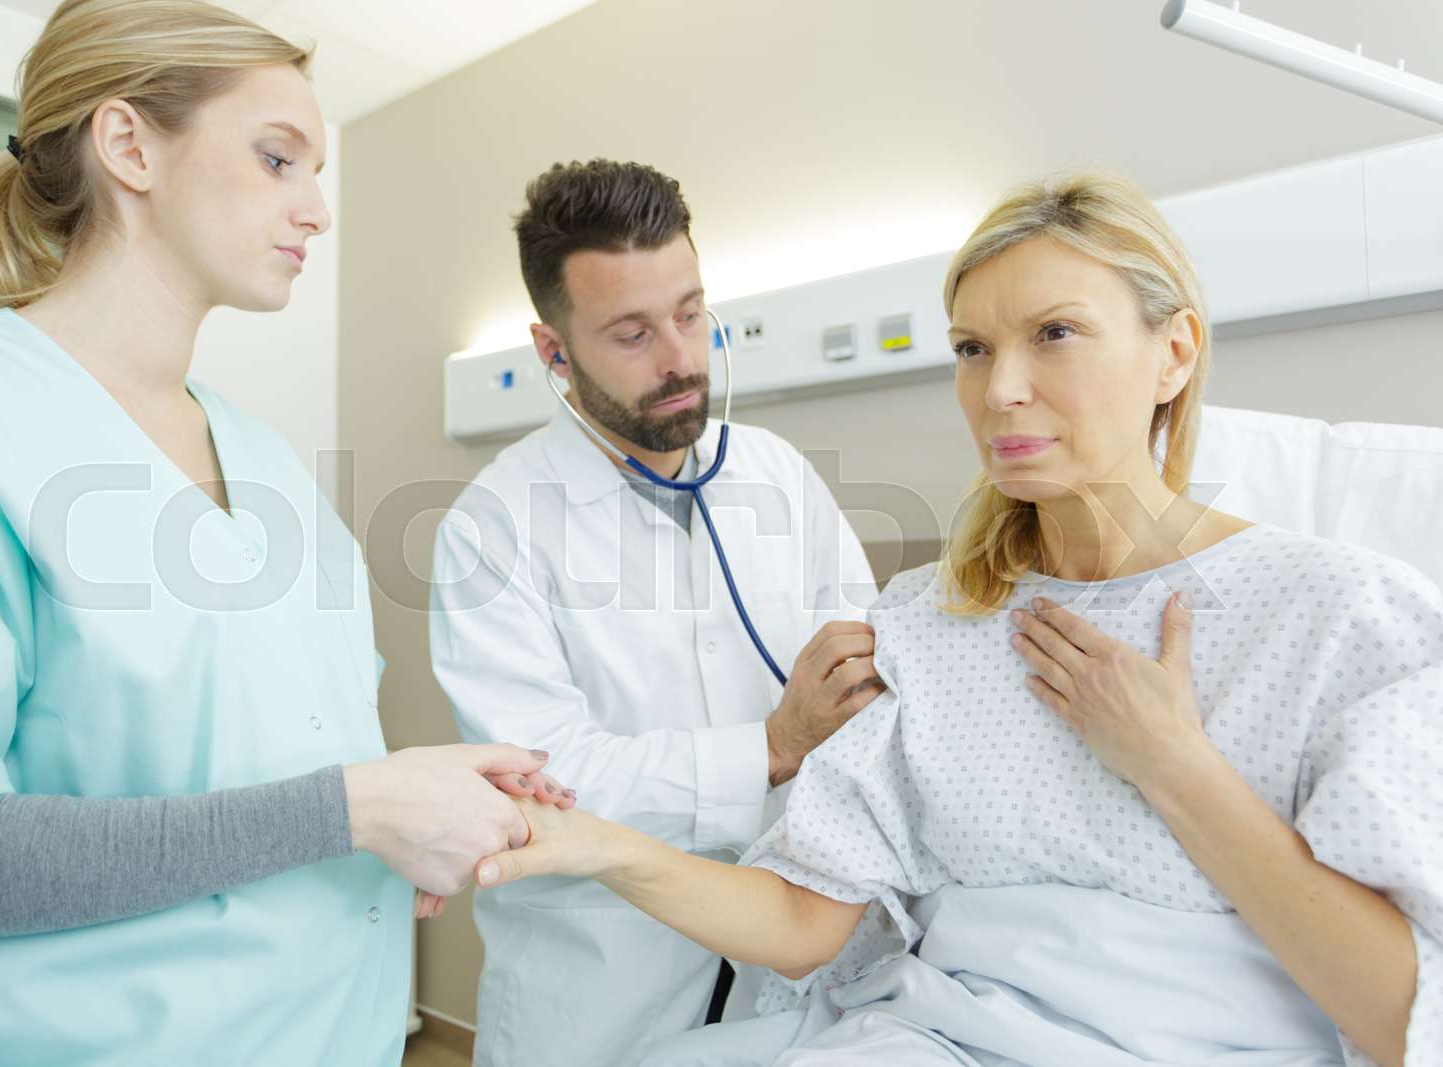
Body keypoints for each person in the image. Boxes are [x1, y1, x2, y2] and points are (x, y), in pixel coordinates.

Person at [470, 172, 1443, 1066]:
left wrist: (1174, 766)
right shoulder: (932, 622)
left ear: (1173, 351)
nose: (1000, 388)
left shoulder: (1340, 615)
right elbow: (811, 914)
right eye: (972, 348)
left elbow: (1407, 1016)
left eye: (1054, 333)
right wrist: (598, 842)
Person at [0, 3, 568, 1065]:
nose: (315, 210)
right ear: (130, 145)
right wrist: (354, 807)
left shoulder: (268, 464)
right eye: (278, 158)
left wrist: (419, 801)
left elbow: (292, 770)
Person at [429, 159, 883, 1066]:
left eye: (689, 313)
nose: (680, 358)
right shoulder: (492, 526)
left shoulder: (775, 474)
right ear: (553, 352)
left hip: (800, 980)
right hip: (600, 995)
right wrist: (771, 744)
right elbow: (547, 782)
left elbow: (866, 681)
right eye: (632, 333)